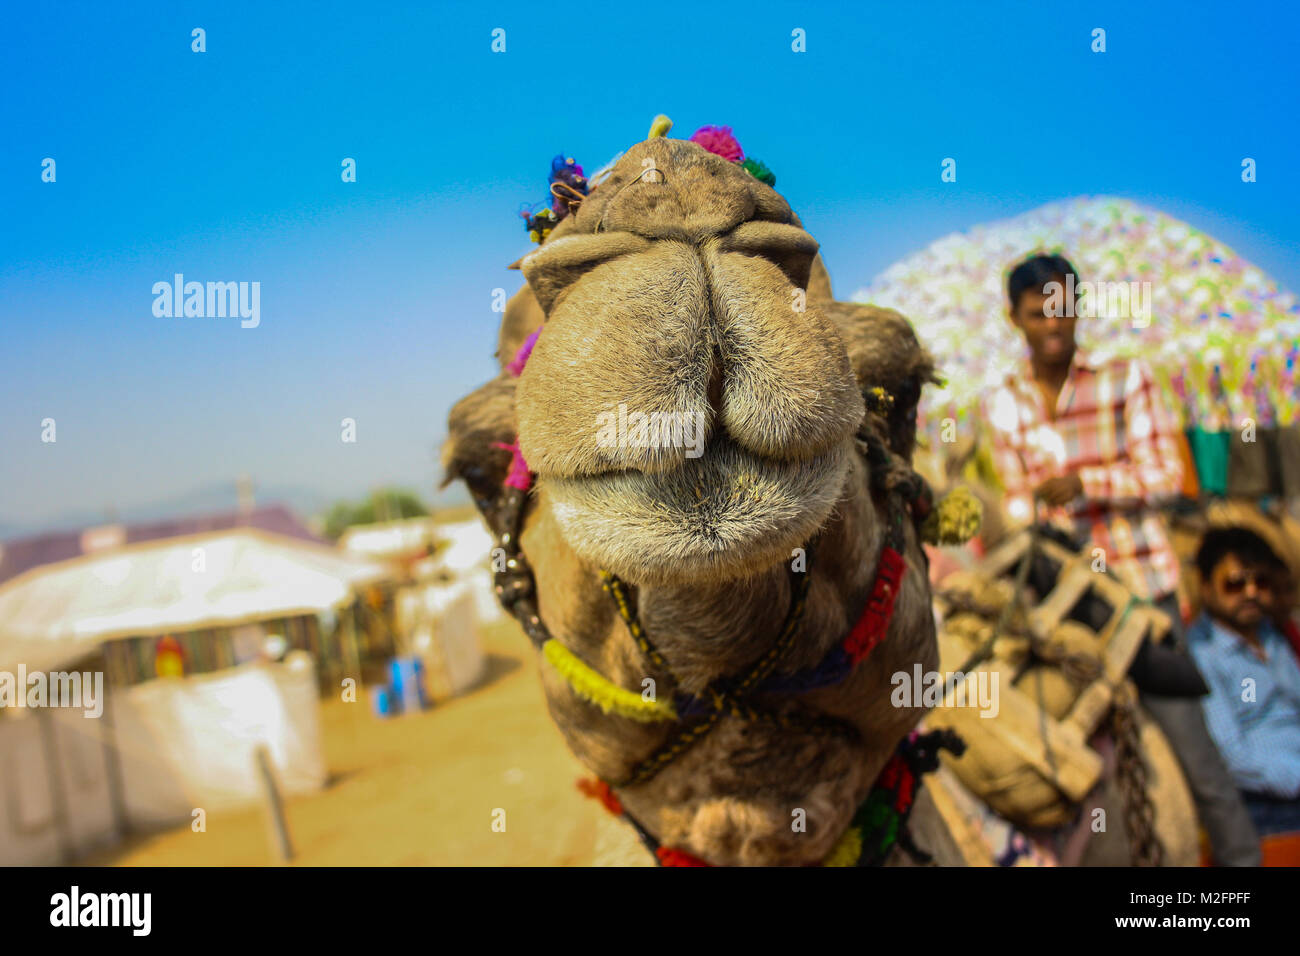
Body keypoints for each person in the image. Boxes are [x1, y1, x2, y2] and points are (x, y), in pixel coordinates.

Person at [981, 253, 1259, 865]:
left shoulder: (1125, 378)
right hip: (1062, 604)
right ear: (1015, 319)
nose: (1054, 325)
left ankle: (1241, 869)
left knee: (1194, 751)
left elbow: (1164, 476)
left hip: (1138, 597)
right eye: (1038, 314)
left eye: (1063, 309)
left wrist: (1089, 484)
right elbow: (1018, 506)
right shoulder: (1001, 403)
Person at [1189, 527, 1300, 837]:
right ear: (1207, 588)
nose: (1251, 592)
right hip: (1267, 806)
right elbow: (1233, 757)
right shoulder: (1203, 655)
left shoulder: (1272, 636)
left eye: (1260, 582)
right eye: (1235, 584)